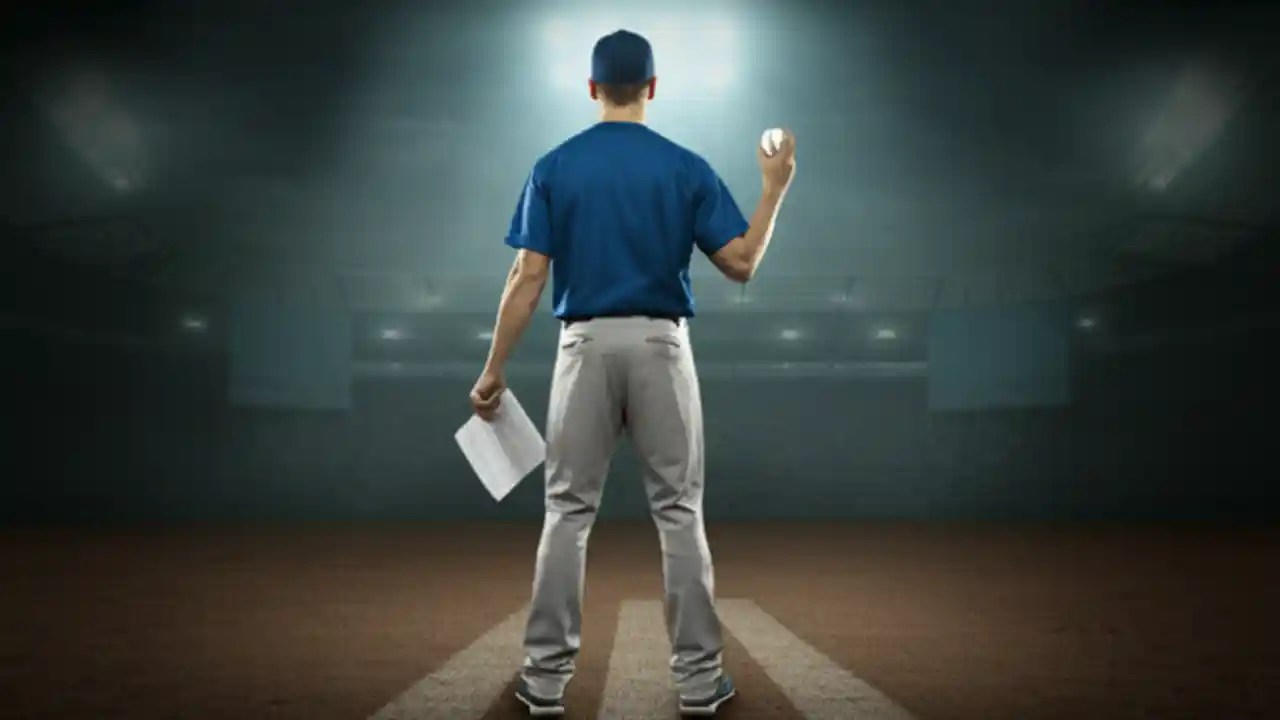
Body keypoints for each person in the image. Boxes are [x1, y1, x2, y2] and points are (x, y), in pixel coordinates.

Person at [468, 28, 796, 717]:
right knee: (679, 512)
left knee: (566, 512)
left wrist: (494, 369)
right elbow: (739, 263)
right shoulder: (685, 165)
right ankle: (702, 683)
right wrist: (775, 188)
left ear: (592, 88)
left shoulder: (555, 165)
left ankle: (545, 681)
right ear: (652, 88)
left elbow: (527, 277)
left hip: (582, 346)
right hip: (661, 345)